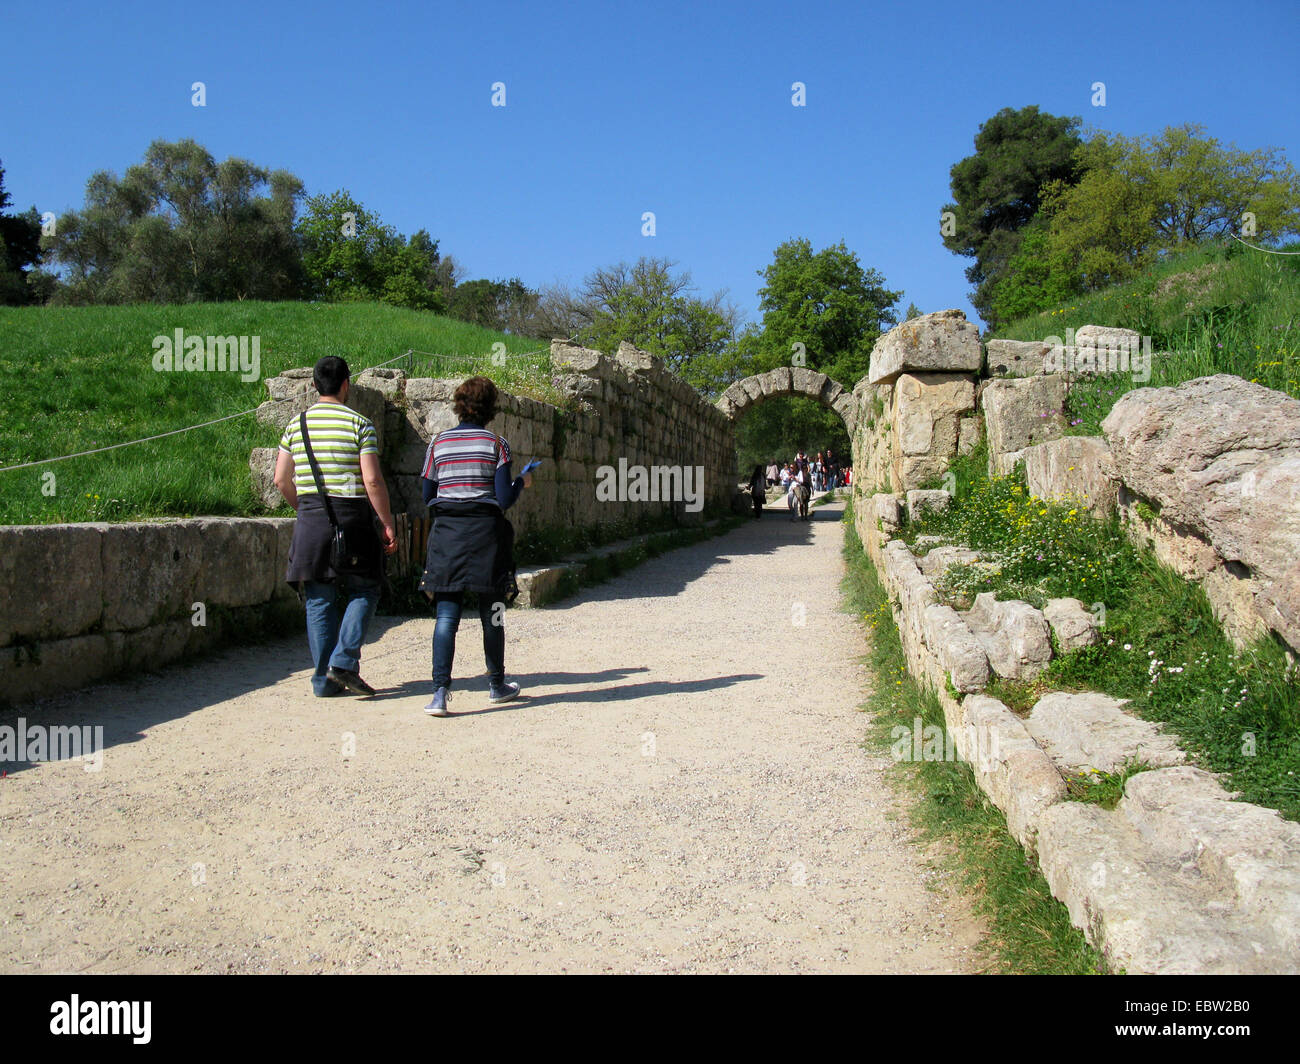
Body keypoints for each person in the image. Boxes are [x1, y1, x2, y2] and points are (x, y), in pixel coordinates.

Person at [275, 356, 398, 698]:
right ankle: (343, 661)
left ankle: (323, 681)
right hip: (353, 518)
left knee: (318, 598)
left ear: (314, 385)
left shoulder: (295, 426)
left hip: (311, 519)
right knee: (366, 587)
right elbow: (372, 480)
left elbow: (281, 479)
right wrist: (387, 523)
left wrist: (306, 508)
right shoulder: (360, 424)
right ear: (346, 384)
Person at [420, 376, 532, 717]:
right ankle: (496, 685)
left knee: (446, 613)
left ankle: (440, 692)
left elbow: (427, 495)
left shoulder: (437, 444)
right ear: (490, 408)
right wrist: (521, 482)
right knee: (492, 613)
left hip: (448, 533)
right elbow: (503, 498)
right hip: (486, 534)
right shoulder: (497, 444)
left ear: (458, 405)